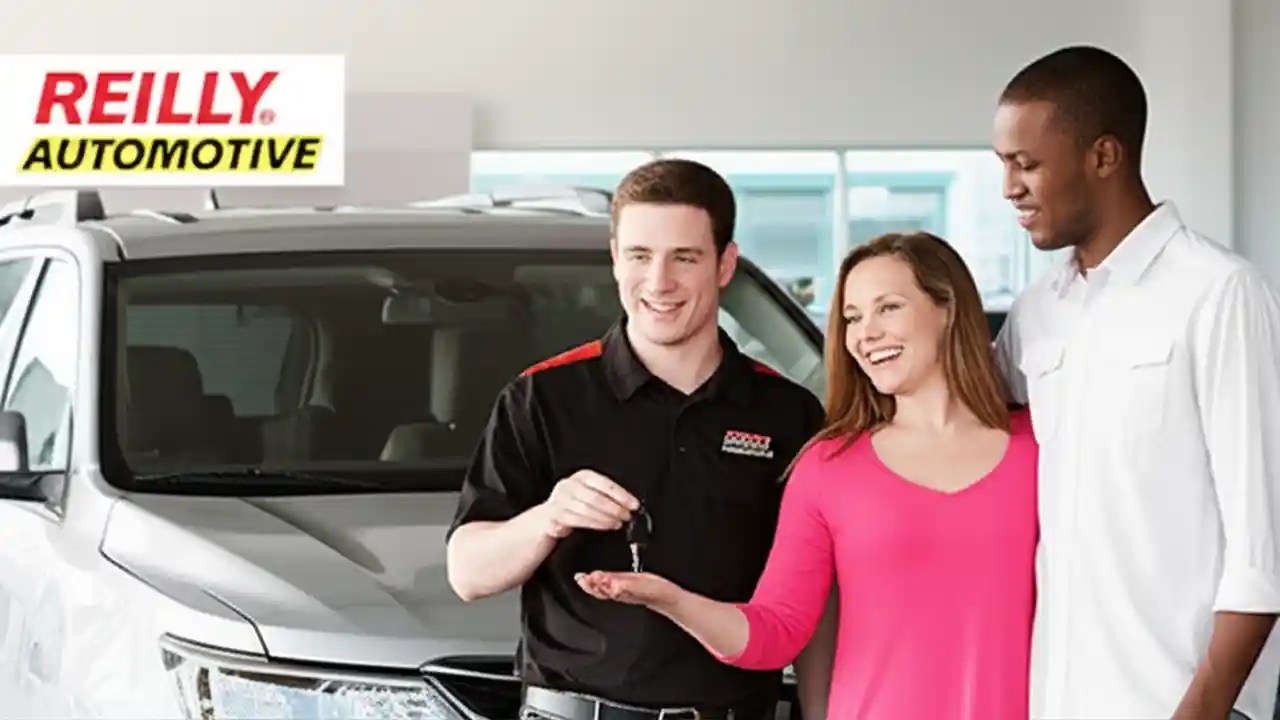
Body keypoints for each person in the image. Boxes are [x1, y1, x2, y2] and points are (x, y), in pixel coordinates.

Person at [576, 231, 1041, 719]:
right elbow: (776, 631)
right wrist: (668, 598)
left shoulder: (1040, 449)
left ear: (947, 308)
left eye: (888, 308)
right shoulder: (829, 467)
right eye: (852, 318)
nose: (865, 334)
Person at [444, 158, 828, 719]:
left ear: (725, 264)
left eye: (684, 257)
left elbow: (816, 604)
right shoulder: (542, 397)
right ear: (615, 258)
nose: (659, 282)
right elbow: (467, 573)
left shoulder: (788, 413)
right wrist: (549, 517)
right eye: (640, 256)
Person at [991, 45, 1280, 720]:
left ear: (1103, 156)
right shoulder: (1038, 310)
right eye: (1002, 164)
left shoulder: (1220, 293)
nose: (1008, 188)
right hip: (1059, 701)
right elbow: (965, 418)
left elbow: (1262, 549)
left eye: (1026, 163)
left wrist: (1202, 710)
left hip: (1176, 703)